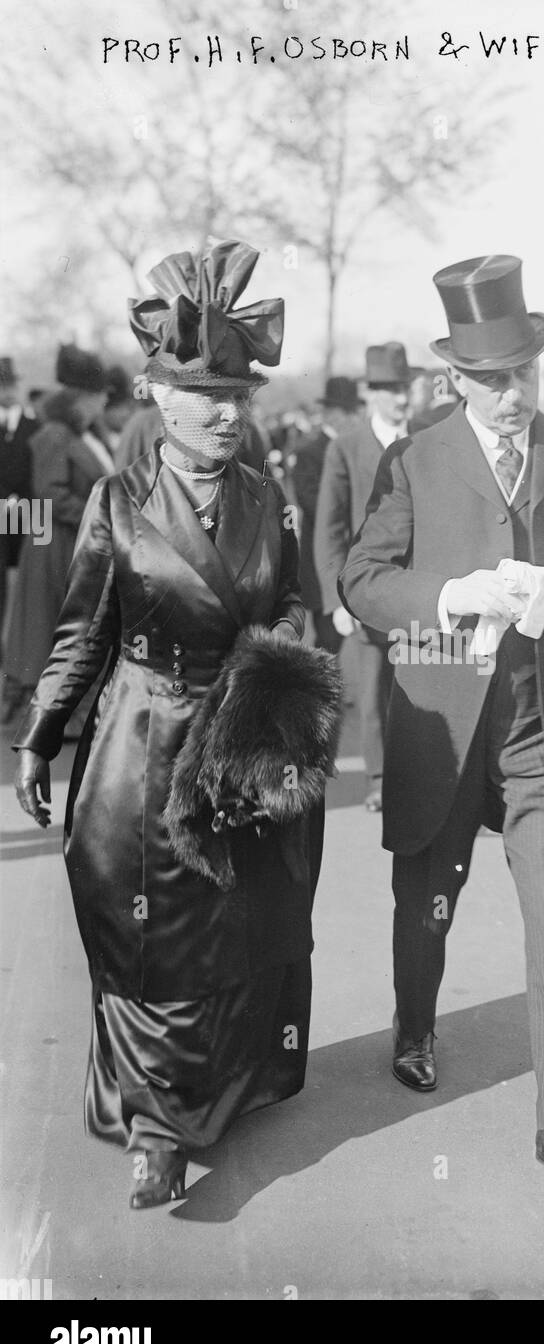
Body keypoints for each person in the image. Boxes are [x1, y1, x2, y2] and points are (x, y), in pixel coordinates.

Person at [12, 239, 340, 1210]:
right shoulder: (116, 503)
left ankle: (230, 1088)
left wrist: (276, 697)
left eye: (238, 395)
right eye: (203, 394)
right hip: (145, 750)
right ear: (157, 396)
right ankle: (155, 1130)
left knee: (243, 929)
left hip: (244, 744)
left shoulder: (269, 501)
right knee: (153, 943)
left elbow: (296, 613)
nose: (225, 412)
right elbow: (82, 634)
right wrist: (39, 731)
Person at [341, 255, 544, 1202]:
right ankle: (415, 1027)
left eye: (524, 373)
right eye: (489, 378)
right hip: (442, 719)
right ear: (453, 381)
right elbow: (363, 580)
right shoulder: (413, 458)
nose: (511, 394)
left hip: (539, 732)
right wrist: (448, 594)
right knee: (423, 903)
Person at [315, 342, 412, 812]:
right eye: (390, 390)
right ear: (371, 393)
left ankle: (427, 780)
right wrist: (337, 600)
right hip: (367, 591)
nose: (401, 398)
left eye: (405, 387)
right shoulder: (347, 446)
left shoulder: (430, 438)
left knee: (424, 685)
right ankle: (378, 778)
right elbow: (329, 528)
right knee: (373, 693)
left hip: (422, 591)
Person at [4, 345, 111, 727]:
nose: (101, 407)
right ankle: (53, 717)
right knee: (55, 631)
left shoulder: (74, 434)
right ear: (81, 400)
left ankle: (58, 714)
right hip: (55, 544)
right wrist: (102, 513)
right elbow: (50, 493)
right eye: (98, 399)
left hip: (66, 541)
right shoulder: (55, 435)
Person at [292, 376, 361, 652]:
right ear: (333, 414)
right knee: (329, 641)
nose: (353, 419)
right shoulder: (309, 452)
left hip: (352, 558)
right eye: (348, 413)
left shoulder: (356, 449)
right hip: (322, 565)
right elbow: (313, 503)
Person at [0, 356, 40, 721]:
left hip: (27, 519)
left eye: (8, 385)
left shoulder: (33, 426)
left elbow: (38, 479)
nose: (6, 392)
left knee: (26, 591)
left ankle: (19, 679)